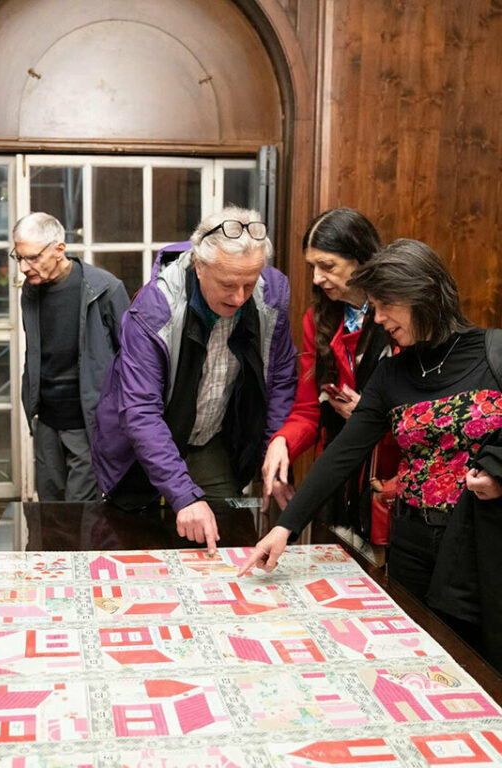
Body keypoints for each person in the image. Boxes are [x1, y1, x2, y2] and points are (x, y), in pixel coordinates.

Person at [241, 239, 502, 670]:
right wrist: (285, 528)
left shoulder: (492, 353)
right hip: (412, 544)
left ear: (422, 294)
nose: (378, 319)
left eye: (385, 306)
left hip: (479, 542)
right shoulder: (393, 373)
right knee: (417, 662)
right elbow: (343, 454)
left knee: (478, 667)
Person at [91, 207, 297, 553]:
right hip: (139, 446)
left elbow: (279, 379)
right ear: (199, 266)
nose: (240, 297)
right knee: (134, 541)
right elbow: (140, 411)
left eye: (250, 282)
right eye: (229, 284)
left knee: (224, 537)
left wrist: (271, 453)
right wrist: (184, 497)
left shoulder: (271, 296)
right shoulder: (154, 308)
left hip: (209, 440)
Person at [261, 207, 396, 532]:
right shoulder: (317, 319)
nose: (317, 278)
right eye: (313, 267)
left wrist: (368, 413)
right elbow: (308, 410)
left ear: (361, 258)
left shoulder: (397, 315)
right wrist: (281, 443)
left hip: (389, 475)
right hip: (339, 475)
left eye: (327, 266)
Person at [13, 212, 130, 501]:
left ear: (59, 249)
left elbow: (132, 360)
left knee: (82, 514)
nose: (23, 268)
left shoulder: (106, 289)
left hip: (89, 425)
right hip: (47, 423)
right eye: (18, 258)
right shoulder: (31, 290)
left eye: (31, 258)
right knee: (50, 511)